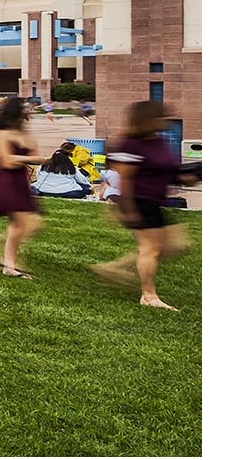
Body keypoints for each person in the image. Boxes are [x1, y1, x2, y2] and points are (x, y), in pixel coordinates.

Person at [90, 101, 190, 311]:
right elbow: (124, 179)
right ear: (148, 119)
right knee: (151, 249)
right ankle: (148, 295)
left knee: (175, 246)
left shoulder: (158, 142)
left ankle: (114, 267)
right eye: (161, 117)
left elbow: (168, 170)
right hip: (138, 201)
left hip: (156, 201)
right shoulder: (130, 144)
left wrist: (185, 176)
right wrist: (127, 209)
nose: (166, 120)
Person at [0, 97, 48, 280]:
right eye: (25, 107)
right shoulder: (0, 133)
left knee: (26, 224)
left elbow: (33, 155)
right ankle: (7, 263)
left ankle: (2, 257)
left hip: (22, 181)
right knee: (21, 223)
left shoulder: (26, 135)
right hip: (8, 180)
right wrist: (32, 159)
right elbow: (7, 161)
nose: (28, 110)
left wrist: (33, 158)